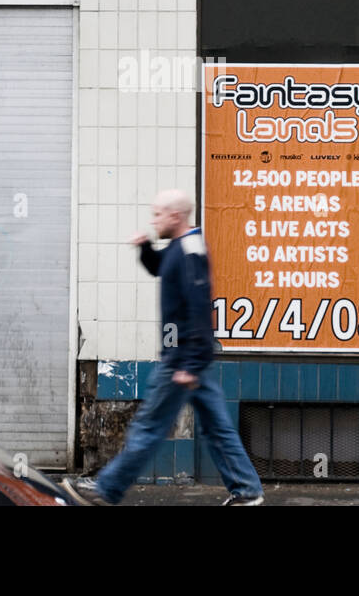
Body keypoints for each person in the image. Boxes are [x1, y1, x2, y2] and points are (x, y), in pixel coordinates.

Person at [63, 189, 265, 506]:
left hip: (181, 359)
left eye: (157, 213)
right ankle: (247, 490)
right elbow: (159, 268)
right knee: (216, 428)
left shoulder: (190, 252)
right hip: (189, 359)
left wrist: (190, 364)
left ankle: (107, 490)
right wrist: (145, 247)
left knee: (148, 427)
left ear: (175, 216)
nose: (153, 219)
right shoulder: (177, 249)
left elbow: (199, 309)